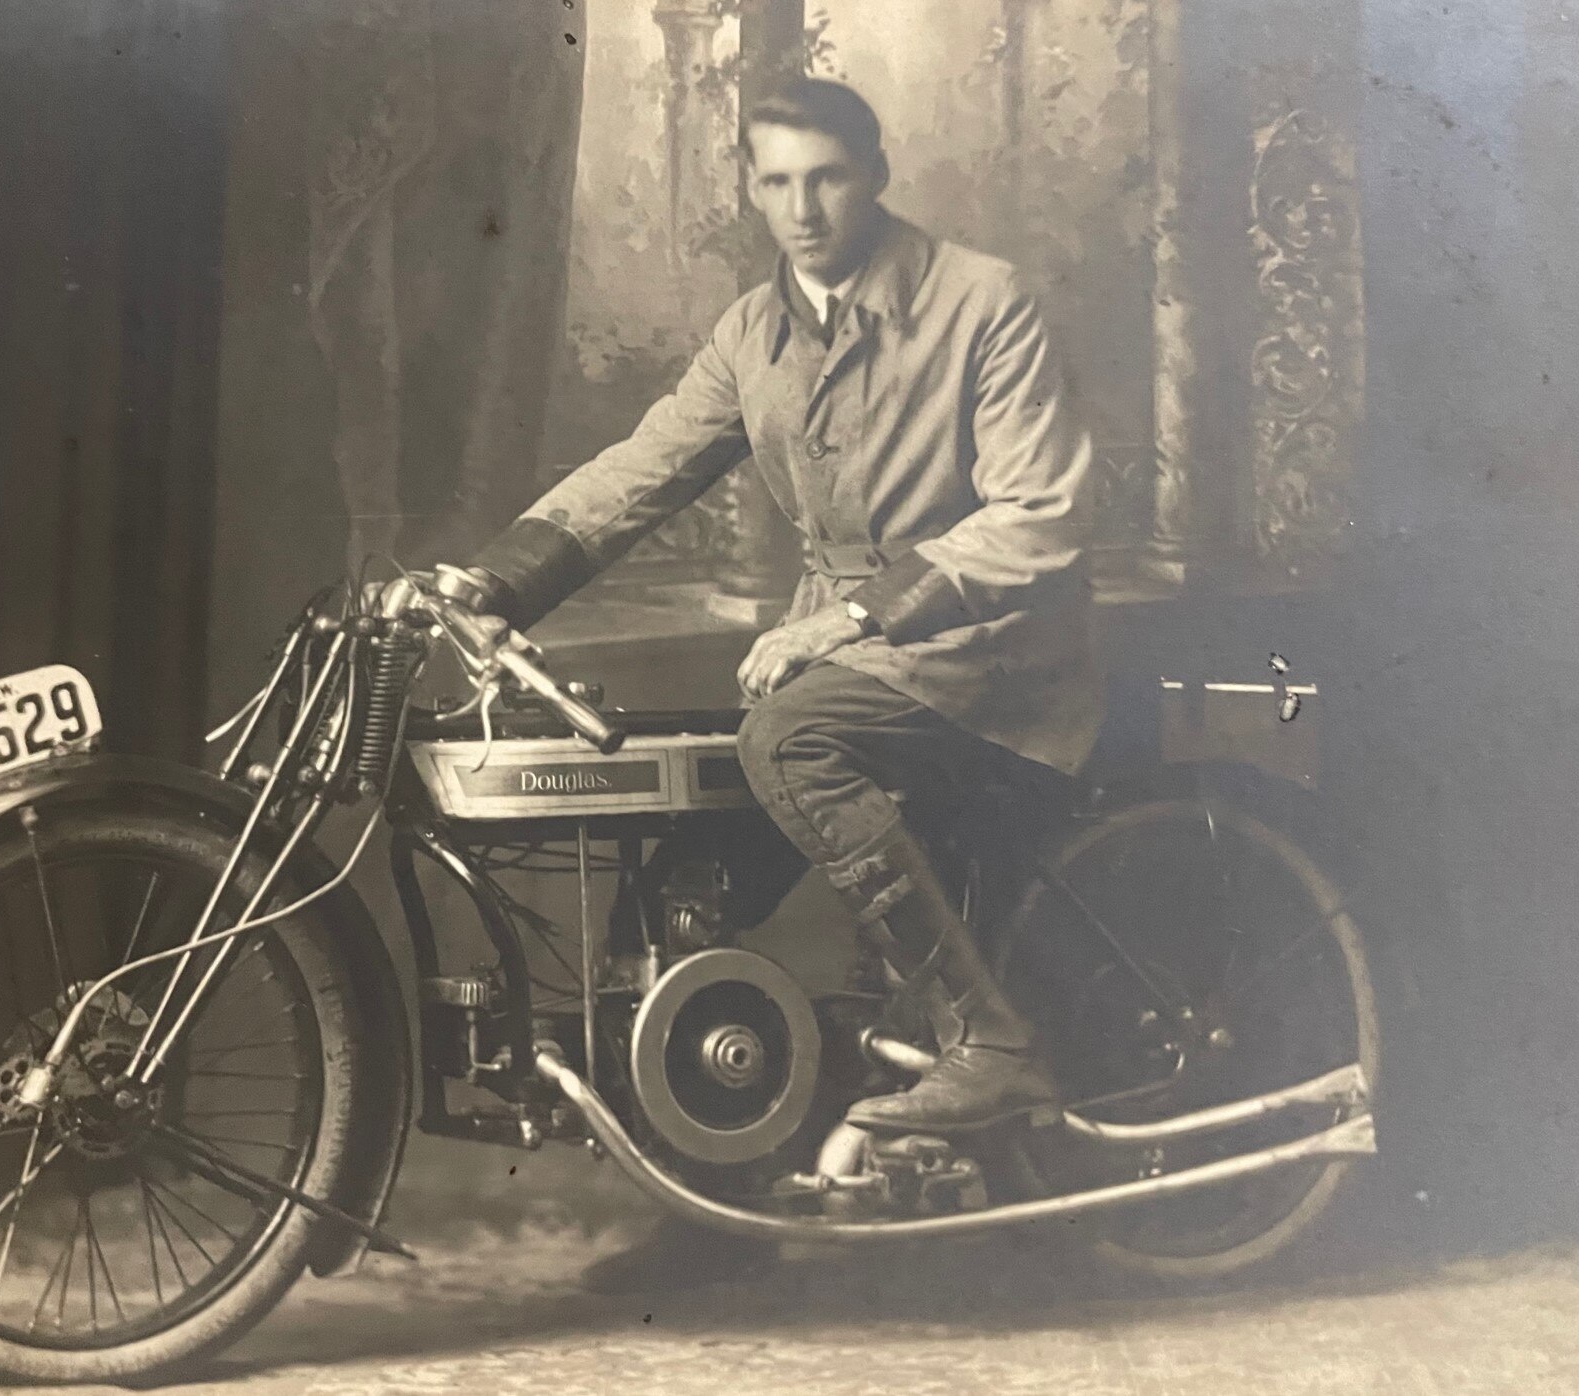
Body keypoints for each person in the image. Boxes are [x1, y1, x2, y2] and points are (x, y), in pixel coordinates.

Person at [460, 77, 1104, 1289]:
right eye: (775, 181)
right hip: (848, 661)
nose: (802, 208)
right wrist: (491, 581)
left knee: (790, 742)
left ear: (875, 172)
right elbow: (640, 472)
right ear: (751, 187)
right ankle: (715, 1198)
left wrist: (858, 613)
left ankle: (993, 1038)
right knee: (688, 866)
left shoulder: (985, 302)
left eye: (826, 177)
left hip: (993, 667)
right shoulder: (753, 331)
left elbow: (1042, 517)